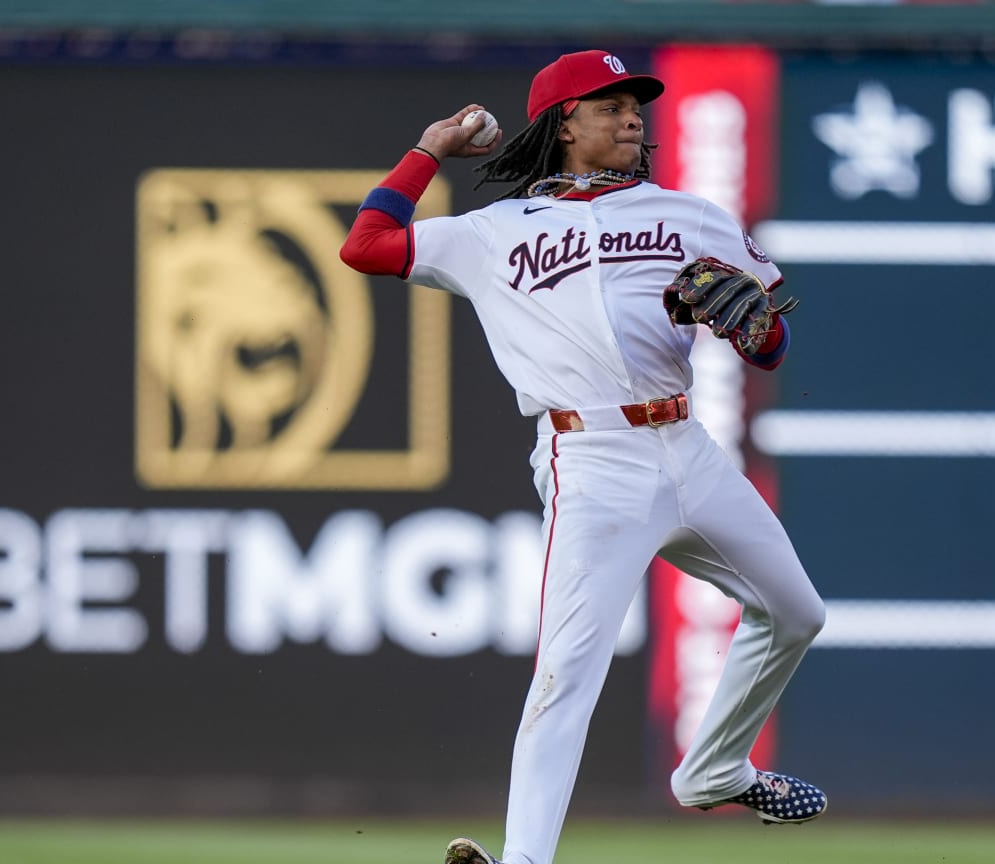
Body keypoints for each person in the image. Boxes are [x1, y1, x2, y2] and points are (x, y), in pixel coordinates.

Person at [340, 49, 827, 864]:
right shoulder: (491, 234)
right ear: (564, 123)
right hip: (592, 456)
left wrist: (753, 327)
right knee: (568, 670)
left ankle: (711, 771)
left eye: (636, 103)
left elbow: (769, 345)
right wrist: (429, 150)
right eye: (608, 104)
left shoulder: (689, 214)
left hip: (687, 445)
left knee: (797, 613)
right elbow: (366, 245)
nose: (631, 115)